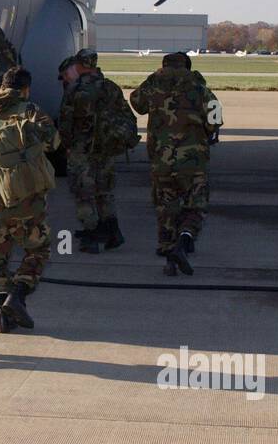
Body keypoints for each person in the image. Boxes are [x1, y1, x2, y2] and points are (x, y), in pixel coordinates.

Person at [0, 66, 61, 333]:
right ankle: (17, 297)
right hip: (25, 196)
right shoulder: (29, 109)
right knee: (38, 249)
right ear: (25, 88)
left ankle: (2, 315)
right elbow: (53, 143)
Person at [129, 52, 221, 276]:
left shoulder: (154, 84)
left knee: (165, 208)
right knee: (195, 206)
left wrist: (155, 81)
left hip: (162, 159)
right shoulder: (199, 87)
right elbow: (215, 116)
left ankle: (168, 252)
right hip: (193, 160)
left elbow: (136, 102)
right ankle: (184, 240)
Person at [58, 48, 139, 254]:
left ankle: (91, 237)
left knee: (83, 193)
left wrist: (64, 146)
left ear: (79, 65)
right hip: (107, 148)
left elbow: (66, 123)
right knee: (105, 191)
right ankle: (113, 232)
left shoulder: (76, 90)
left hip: (82, 149)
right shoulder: (110, 87)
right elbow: (126, 114)